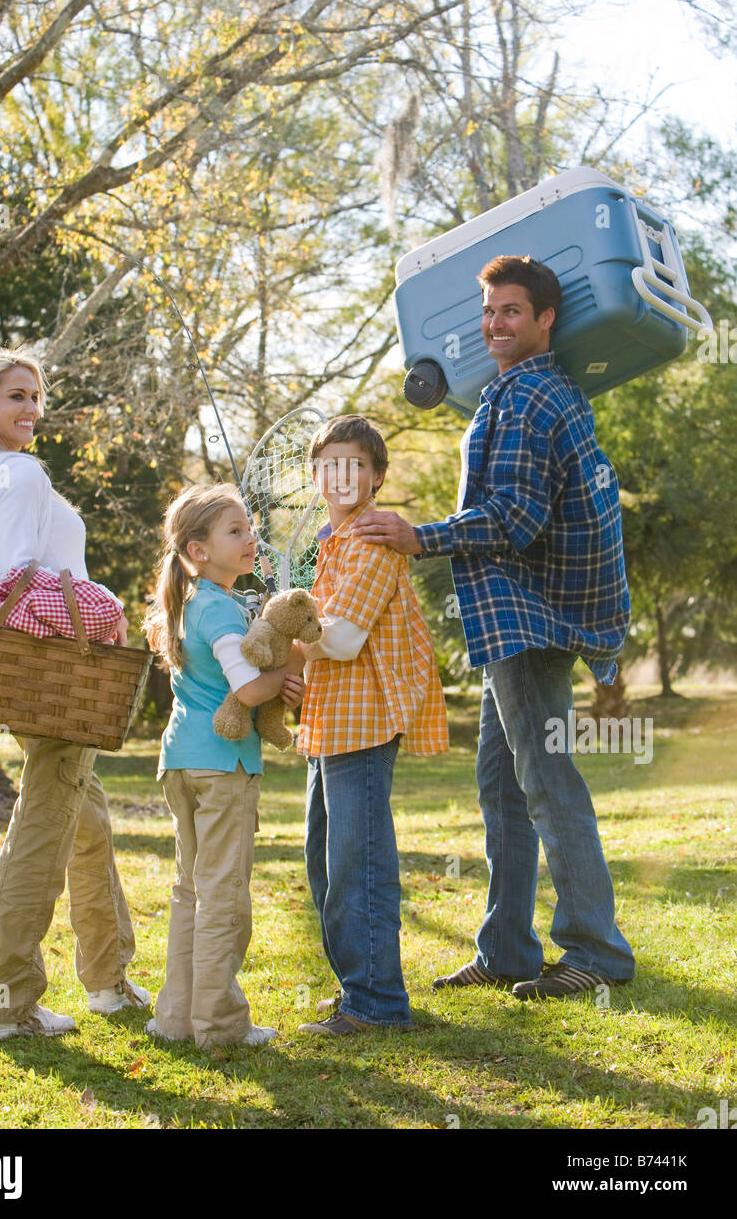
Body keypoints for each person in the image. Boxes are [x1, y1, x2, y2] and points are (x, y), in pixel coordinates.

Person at [354, 256, 635, 1001]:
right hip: (512, 617)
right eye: (488, 311)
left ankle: (596, 951)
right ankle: (507, 946)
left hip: (528, 617)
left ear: (546, 319)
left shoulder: (532, 398)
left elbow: (517, 516)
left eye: (511, 311)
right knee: (502, 786)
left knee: (545, 782)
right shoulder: (516, 392)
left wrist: (423, 536)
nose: (495, 324)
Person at [0, 346, 149, 1040]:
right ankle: (3, 1002)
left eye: (35, 395)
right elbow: (19, 580)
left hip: (3, 667)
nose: (31, 408)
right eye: (14, 396)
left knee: (84, 812)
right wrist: (107, 611)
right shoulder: (22, 473)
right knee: (48, 817)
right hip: (52, 667)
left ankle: (107, 978)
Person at [295, 415, 450, 1037]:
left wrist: (284, 624)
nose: (340, 475)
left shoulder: (373, 542)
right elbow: (317, 638)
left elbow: (342, 639)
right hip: (329, 719)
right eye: (328, 465)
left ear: (376, 476)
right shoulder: (334, 545)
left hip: (363, 719)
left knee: (357, 863)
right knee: (325, 861)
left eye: (353, 464)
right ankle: (357, 989)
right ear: (315, 477)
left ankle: (377, 1002)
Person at [143, 483, 305, 1049]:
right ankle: (220, 1025)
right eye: (234, 531)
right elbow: (246, 688)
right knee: (224, 894)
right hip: (222, 768)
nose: (250, 538)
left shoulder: (193, 604)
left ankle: (176, 1018)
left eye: (249, 528)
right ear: (197, 550)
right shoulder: (218, 611)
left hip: (180, 763)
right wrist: (291, 669)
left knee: (191, 889)